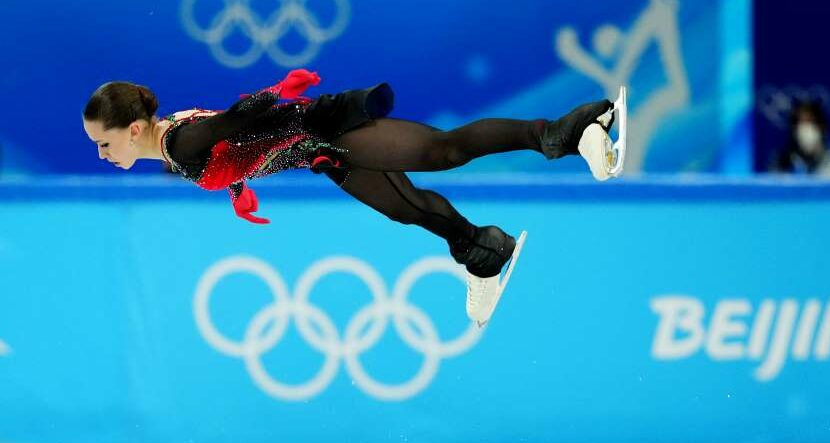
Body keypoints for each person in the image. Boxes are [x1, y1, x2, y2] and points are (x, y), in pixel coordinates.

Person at [82, 69, 622, 326]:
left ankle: (568, 132)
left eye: (104, 143)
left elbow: (233, 122)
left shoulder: (178, 143)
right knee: (409, 210)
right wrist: (238, 189)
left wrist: (279, 91)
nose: (102, 155)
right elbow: (230, 148)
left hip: (326, 133)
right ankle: (485, 251)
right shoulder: (173, 141)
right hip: (323, 154)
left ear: (134, 129)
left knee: (443, 151)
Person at [770, 99, 830, 176]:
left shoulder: (828, 159)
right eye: (801, 122)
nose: (806, 129)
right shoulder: (782, 161)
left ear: (821, 127)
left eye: (810, 121)